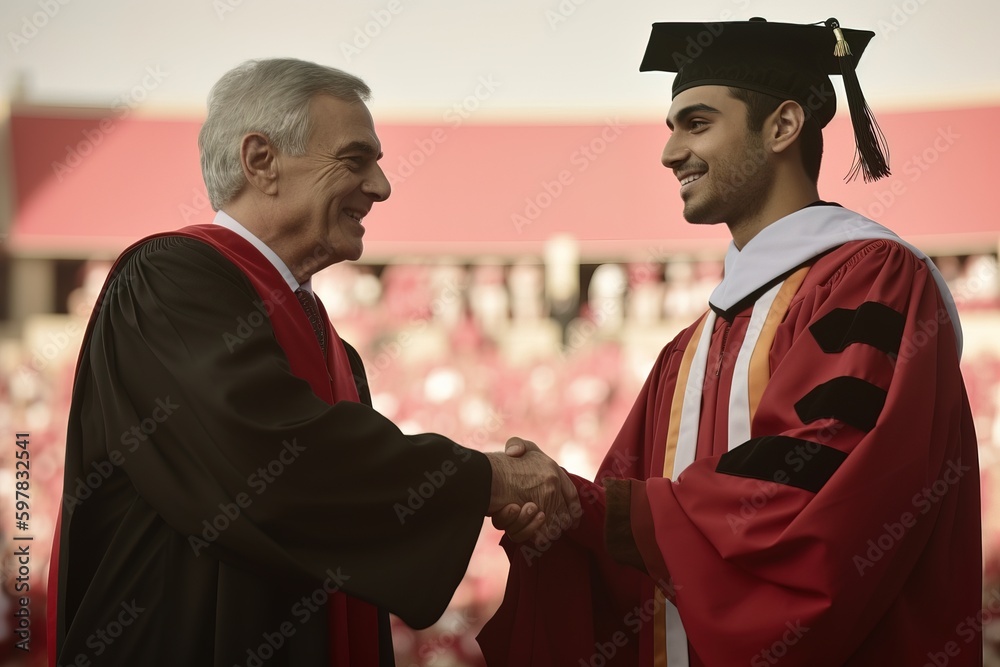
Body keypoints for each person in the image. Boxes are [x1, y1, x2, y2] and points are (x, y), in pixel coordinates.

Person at [479, 17, 982, 666]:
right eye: (671, 129)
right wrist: (556, 519)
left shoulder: (872, 282)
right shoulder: (687, 351)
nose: (668, 154)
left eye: (696, 123)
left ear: (782, 127)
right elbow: (618, 524)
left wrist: (584, 505)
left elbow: (819, 500)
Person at [47, 58, 579, 667]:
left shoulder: (327, 342)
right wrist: (482, 481)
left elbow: (337, 505)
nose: (381, 187)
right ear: (261, 161)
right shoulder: (167, 281)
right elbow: (275, 462)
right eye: (355, 160)